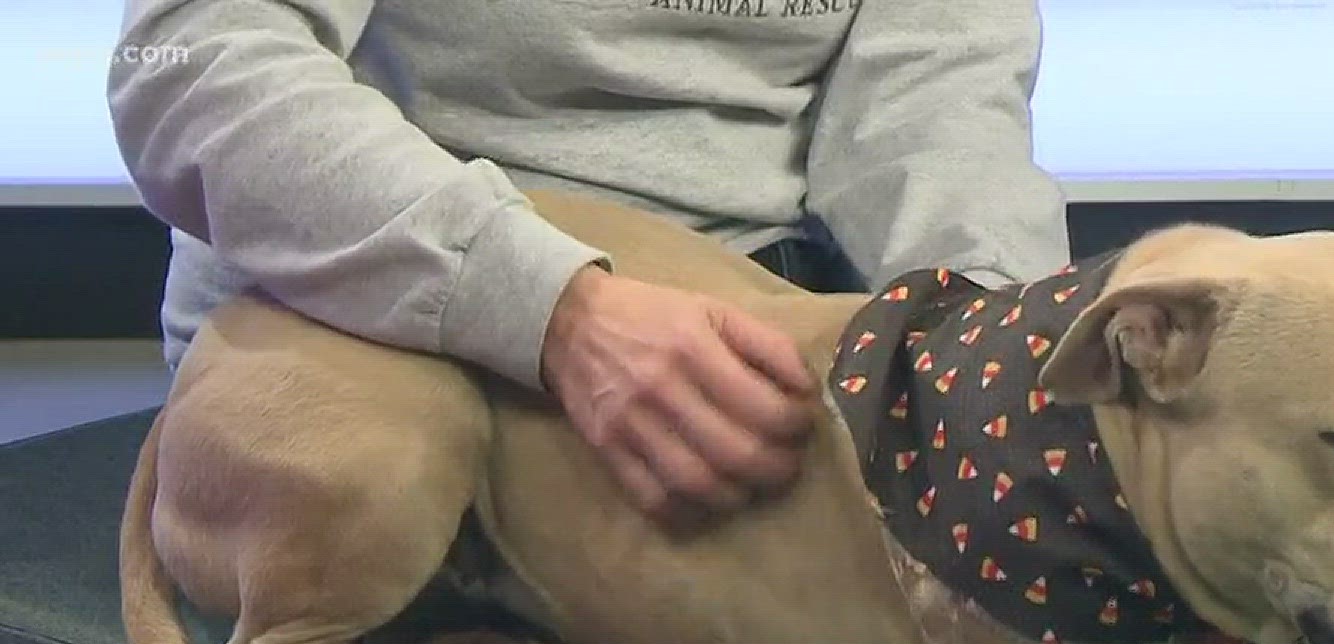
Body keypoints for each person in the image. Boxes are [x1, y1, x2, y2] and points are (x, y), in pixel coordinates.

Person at [108, 0, 1072, 530]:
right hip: (383, 331)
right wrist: (554, 311)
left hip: (746, 323)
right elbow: (195, 62)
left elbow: (939, 113)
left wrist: (1000, 360)